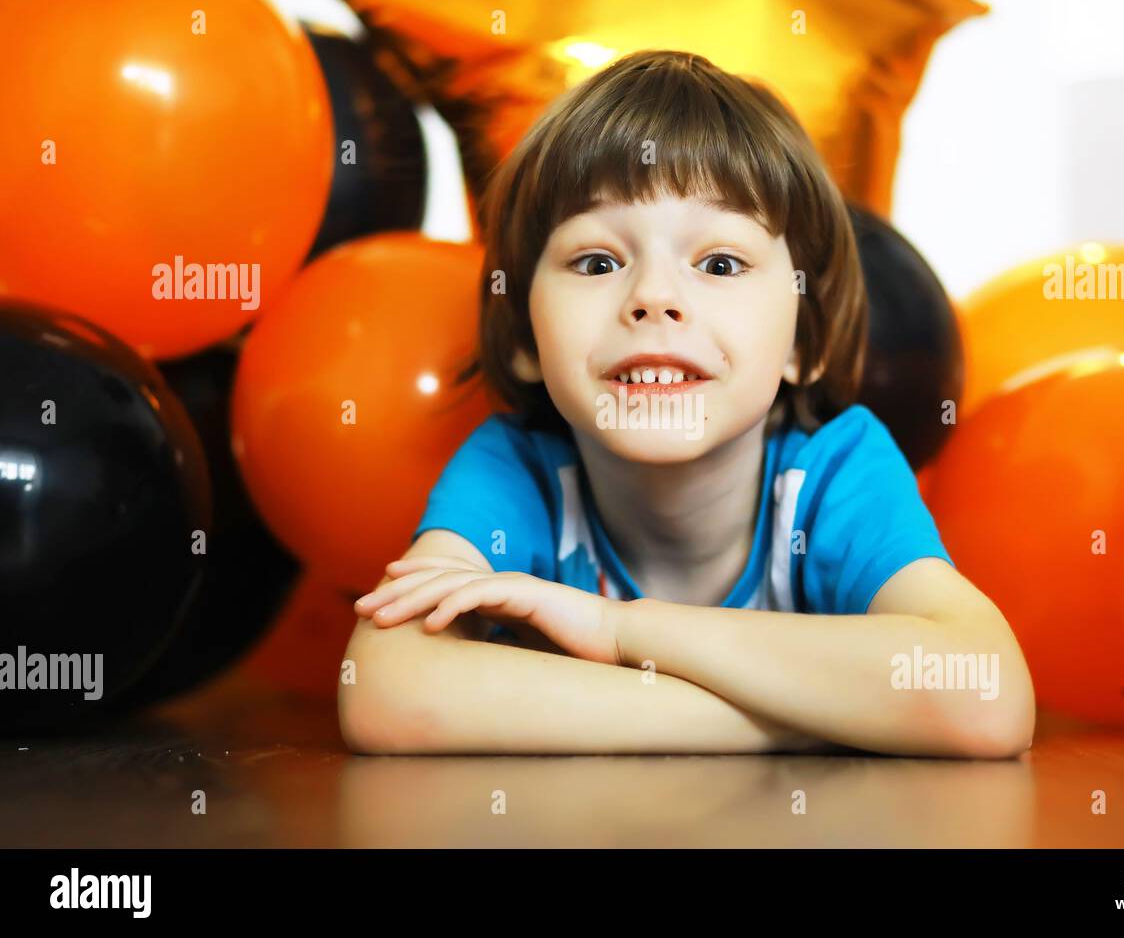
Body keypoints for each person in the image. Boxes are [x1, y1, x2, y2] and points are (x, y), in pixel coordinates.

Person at [343, 49, 1034, 756]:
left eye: (720, 264)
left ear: (806, 341)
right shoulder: (516, 469)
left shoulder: (837, 469)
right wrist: (796, 716)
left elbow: (982, 693)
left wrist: (621, 631)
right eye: (598, 262)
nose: (654, 297)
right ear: (523, 332)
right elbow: (388, 691)